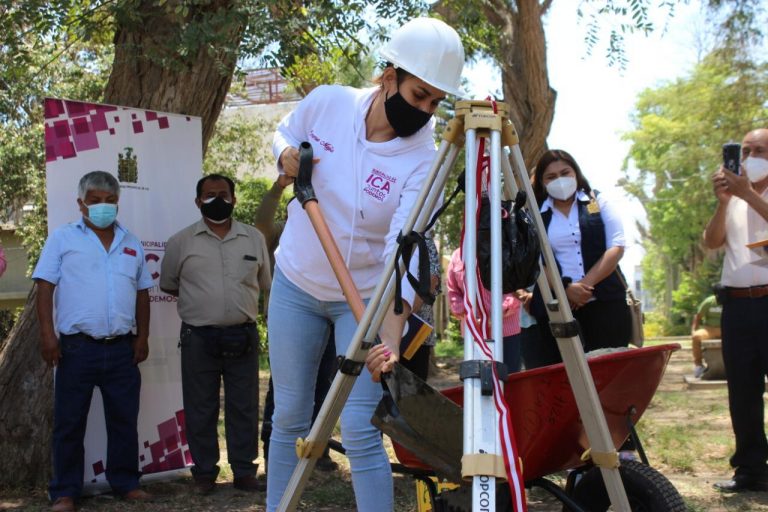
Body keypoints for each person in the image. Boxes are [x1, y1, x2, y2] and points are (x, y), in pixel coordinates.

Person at [265, 17, 465, 512]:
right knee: (291, 414)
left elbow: (404, 252)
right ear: (389, 76)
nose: (425, 111)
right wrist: (286, 154)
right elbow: (283, 132)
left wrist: (390, 343)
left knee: (359, 427)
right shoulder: (329, 102)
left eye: (436, 103)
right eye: (419, 95)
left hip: (365, 299)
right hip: (296, 283)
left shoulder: (424, 159)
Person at [33, 171, 153, 512]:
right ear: (81, 204)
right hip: (76, 348)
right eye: (95, 200)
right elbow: (45, 286)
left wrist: (142, 337)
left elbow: (143, 292)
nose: (103, 206)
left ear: (118, 203)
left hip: (122, 348)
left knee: (124, 420)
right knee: (69, 423)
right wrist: (47, 334)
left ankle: (126, 482)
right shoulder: (62, 238)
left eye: (110, 201)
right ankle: (66, 492)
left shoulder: (131, 242)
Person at [160, 174, 271, 494]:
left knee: (244, 406)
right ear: (197, 202)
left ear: (234, 199)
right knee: (200, 407)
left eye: (223, 194)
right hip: (198, 337)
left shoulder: (254, 239)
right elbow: (168, 283)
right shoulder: (181, 242)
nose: (217, 200)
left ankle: (244, 471)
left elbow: (267, 284)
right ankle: (205, 474)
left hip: (243, 336)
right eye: (209, 195)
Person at [254, 174, 338, 473]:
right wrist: (278, 187)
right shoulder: (285, 231)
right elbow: (262, 225)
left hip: (331, 319)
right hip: (292, 321)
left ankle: (319, 451)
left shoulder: (332, 230)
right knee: (284, 394)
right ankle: (274, 451)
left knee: (325, 386)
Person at [704, 128, 768, 493]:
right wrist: (725, 201)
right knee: (742, 392)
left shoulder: (751, 193)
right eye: (745, 151)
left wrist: (747, 193)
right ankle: (751, 469)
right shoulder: (733, 198)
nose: (751, 156)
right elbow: (711, 242)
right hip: (738, 306)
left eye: (760, 150)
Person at [527, 149, 630, 368]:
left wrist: (583, 287)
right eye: (551, 177)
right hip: (558, 311)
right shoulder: (535, 215)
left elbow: (616, 247)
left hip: (606, 305)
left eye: (565, 173)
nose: (560, 180)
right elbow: (534, 260)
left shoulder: (597, 201)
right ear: (542, 183)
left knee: (609, 372)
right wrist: (565, 290)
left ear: (576, 173)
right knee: (565, 377)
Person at [445, 247, 522, 371]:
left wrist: (494, 316)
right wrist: (465, 313)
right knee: (476, 383)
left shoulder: (504, 249)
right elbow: (453, 292)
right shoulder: (457, 255)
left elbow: (517, 291)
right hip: (473, 334)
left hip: (506, 332)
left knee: (509, 380)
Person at [690, 294, 721, 379]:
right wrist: (693, 331)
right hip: (709, 329)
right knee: (696, 337)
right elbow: (698, 316)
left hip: (727, 329)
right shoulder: (709, 301)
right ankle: (698, 365)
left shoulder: (732, 300)